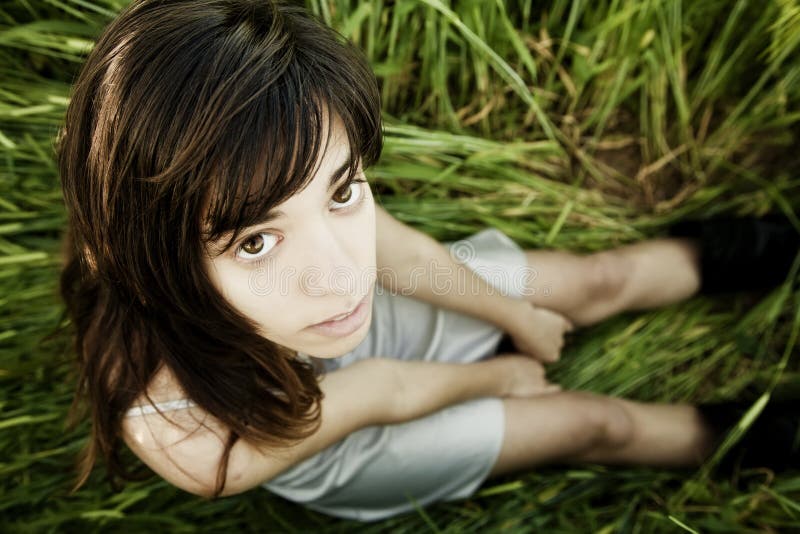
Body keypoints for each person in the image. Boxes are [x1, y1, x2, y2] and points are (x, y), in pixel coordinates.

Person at [55, 0, 800, 523]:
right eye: (255, 239)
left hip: (359, 351)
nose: (341, 273)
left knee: (591, 280)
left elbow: (402, 257)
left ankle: (760, 249)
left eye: (342, 191)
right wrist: (502, 376)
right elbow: (380, 392)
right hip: (337, 436)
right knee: (590, 422)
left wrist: (516, 314)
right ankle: (747, 437)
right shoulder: (181, 434)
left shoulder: (317, 214)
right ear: (153, 256)